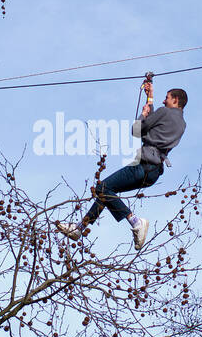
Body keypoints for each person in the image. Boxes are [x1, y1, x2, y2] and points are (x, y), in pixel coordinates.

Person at [56, 81, 187, 250]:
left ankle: (135, 221)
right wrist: (150, 97)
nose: (164, 101)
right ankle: (79, 228)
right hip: (153, 172)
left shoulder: (164, 112)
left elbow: (138, 130)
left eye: (167, 98)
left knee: (102, 188)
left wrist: (143, 114)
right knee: (107, 191)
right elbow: (155, 126)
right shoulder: (182, 124)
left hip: (143, 166)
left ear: (175, 100)